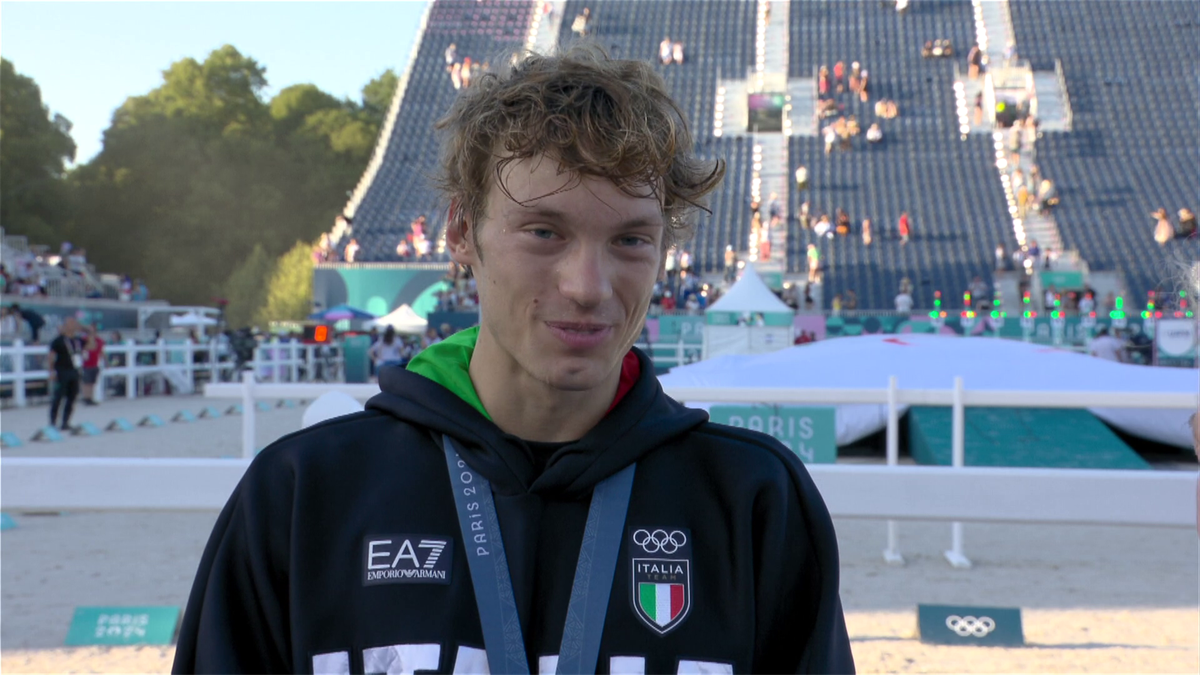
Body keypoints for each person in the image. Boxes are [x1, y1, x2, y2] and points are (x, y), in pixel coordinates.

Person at [174, 43, 854, 675]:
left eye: (630, 240)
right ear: (463, 232)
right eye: (543, 231)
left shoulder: (754, 501)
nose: (587, 286)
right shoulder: (302, 496)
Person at [47, 317, 82, 431]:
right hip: (62, 371)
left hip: (74, 370)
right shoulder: (58, 340)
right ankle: (53, 421)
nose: (73, 325)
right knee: (58, 397)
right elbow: (51, 356)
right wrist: (51, 371)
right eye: (70, 323)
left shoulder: (77, 340)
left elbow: (91, 345)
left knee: (72, 397)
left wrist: (85, 329)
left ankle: (65, 422)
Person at [80, 324, 105, 405]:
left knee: (92, 382)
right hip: (85, 364)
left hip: (95, 363)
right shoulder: (84, 340)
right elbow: (87, 348)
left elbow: (101, 351)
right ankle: (86, 397)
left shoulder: (100, 340)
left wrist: (106, 361)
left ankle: (90, 397)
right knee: (86, 382)